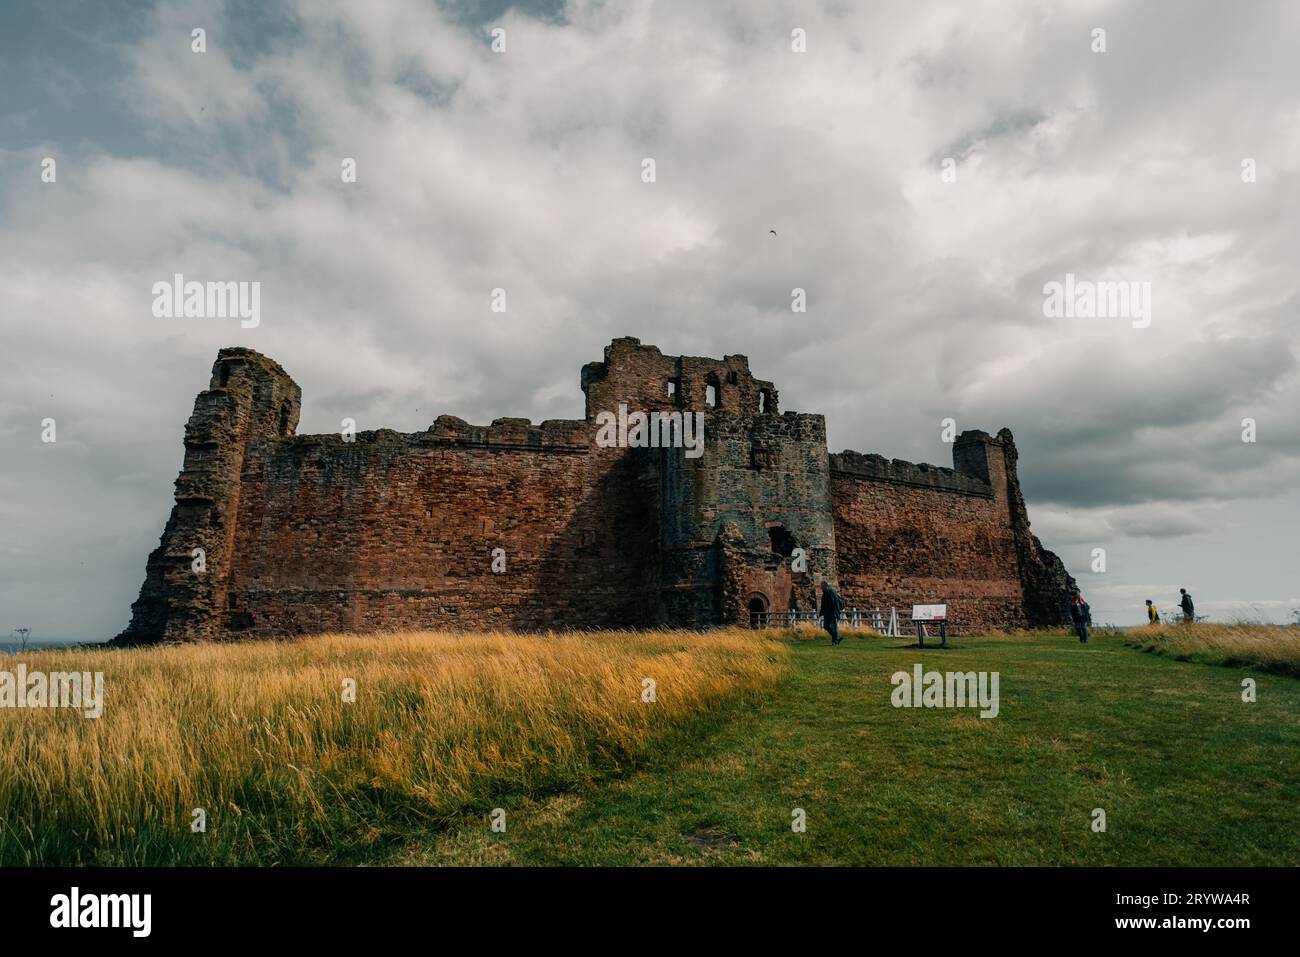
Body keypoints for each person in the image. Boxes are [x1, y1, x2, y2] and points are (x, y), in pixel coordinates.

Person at [819, 580, 844, 646]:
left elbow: (835, 603)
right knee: (826, 626)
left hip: (833, 612)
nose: (821, 588)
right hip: (827, 613)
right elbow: (823, 604)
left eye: (821, 586)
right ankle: (838, 637)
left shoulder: (831, 591)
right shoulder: (824, 593)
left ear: (825, 586)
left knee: (834, 627)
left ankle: (835, 642)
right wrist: (821, 612)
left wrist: (837, 613)